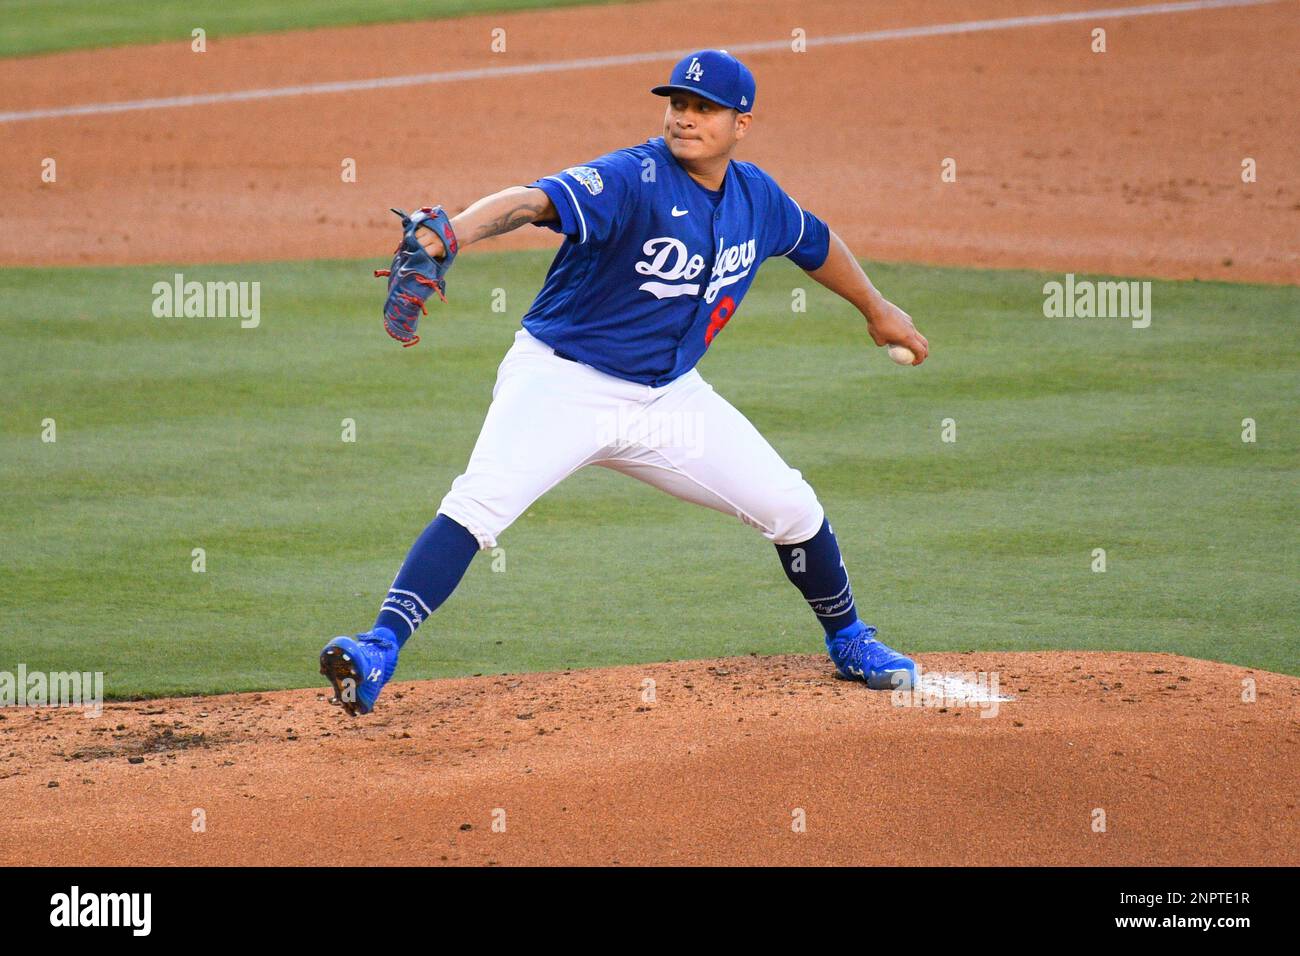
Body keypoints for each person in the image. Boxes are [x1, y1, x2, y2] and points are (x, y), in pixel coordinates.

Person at [320, 49, 930, 716]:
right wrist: (450, 237)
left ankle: (849, 640)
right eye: (678, 105)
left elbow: (814, 242)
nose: (686, 119)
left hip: (668, 397)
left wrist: (877, 309)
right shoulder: (633, 176)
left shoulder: (758, 198)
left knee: (791, 507)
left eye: (705, 109)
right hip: (562, 383)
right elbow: (534, 200)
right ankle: (378, 648)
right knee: (479, 504)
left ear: (741, 124)